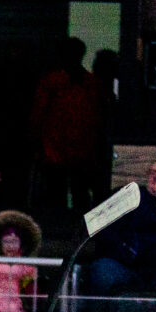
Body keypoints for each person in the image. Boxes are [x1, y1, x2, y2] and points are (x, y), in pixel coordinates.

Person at [78, 156, 156, 300]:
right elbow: (102, 229)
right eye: (152, 172)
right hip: (128, 265)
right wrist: (127, 252)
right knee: (103, 270)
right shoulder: (129, 197)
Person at [26, 38, 104, 219]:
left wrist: (35, 142)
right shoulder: (89, 83)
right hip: (69, 151)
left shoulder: (54, 82)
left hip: (62, 150)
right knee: (74, 194)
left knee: (64, 194)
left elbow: (38, 116)